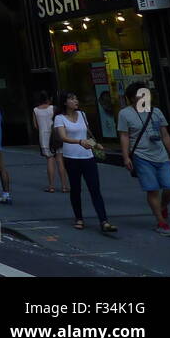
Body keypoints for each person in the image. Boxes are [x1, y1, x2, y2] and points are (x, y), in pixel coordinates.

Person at [118, 84, 170, 237]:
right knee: (152, 189)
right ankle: (161, 222)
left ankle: (162, 207)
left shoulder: (156, 111)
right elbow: (124, 136)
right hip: (141, 156)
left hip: (161, 155)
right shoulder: (125, 114)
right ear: (132, 98)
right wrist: (126, 157)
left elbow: (164, 134)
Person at [54, 91, 116, 233]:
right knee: (75, 189)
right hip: (71, 157)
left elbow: (87, 134)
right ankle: (79, 218)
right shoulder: (60, 118)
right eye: (71, 98)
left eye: (76, 98)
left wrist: (95, 144)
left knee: (95, 189)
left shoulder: (82, 115)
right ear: (65, 102)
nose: (75, 101)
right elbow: (63, 137)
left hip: (87, 156)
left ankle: (104, 221)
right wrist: (79, 141)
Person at [33, 91, 67, 193]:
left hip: (44, 136)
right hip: (56, 136)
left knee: (49, 160)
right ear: (50, 98)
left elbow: (36, 126)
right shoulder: (54, 108)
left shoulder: (35, 110)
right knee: (60, 160)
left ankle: (51, 186)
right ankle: (64, 186)